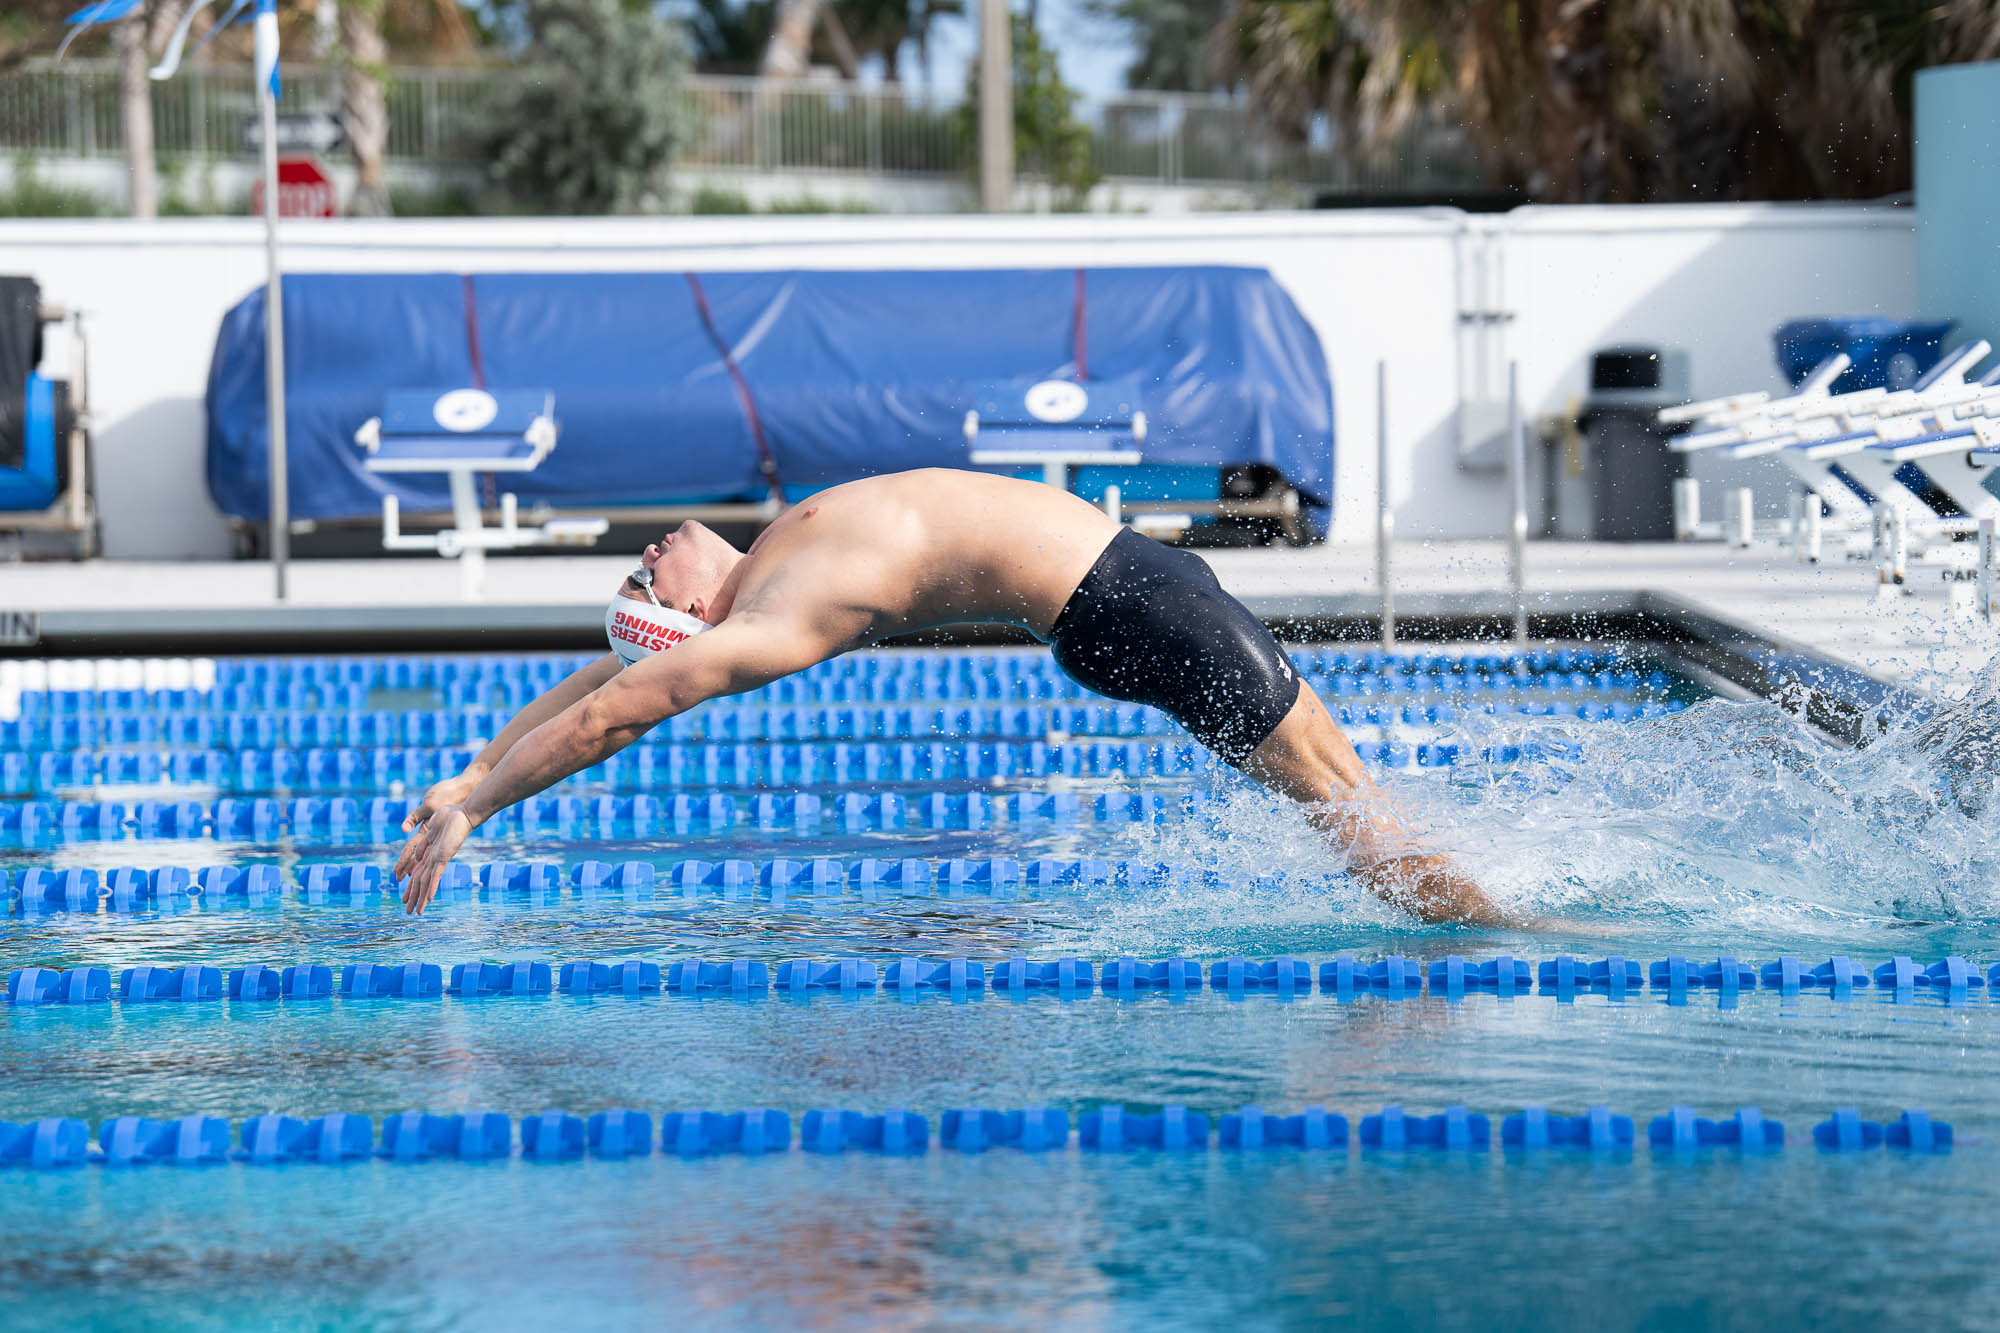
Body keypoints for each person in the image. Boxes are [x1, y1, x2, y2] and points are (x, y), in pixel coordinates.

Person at [395, 468, 1505, 924]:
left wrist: (473, 765)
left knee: (1344, 799)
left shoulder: (766, 564)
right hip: (1123, 607)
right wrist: (481, 808)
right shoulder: (773, 615)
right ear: (683, 625)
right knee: (1341, 797)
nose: (644, 553)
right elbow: (615, 709)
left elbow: (601, 676)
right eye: (644, 582)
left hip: (1127, 589)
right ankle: (1502, 933)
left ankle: (1462, 907)